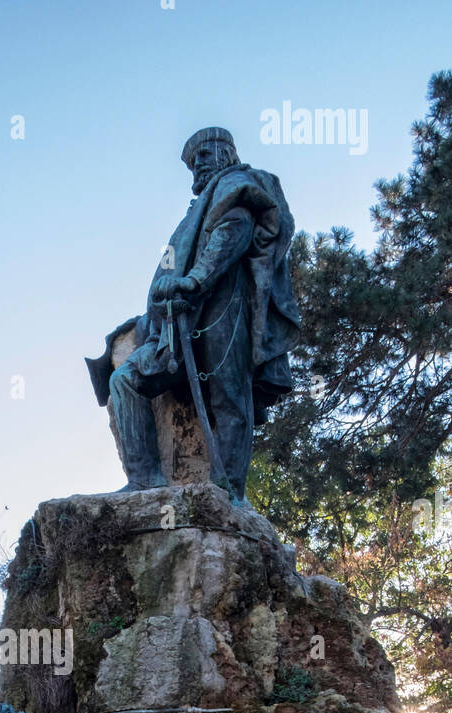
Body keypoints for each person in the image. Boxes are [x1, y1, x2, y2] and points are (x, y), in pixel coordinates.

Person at [86, 127, 300, 499]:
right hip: (175, 321)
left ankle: (229, 493)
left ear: (227, 152)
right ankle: (145, 481)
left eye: (204, 154)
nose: (197, 165)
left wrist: (195, 280)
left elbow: (234, 231)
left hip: (222, 305)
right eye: (192, 161)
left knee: (229, 398)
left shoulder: (236, 183)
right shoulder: (195, 211)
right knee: (124, 382)